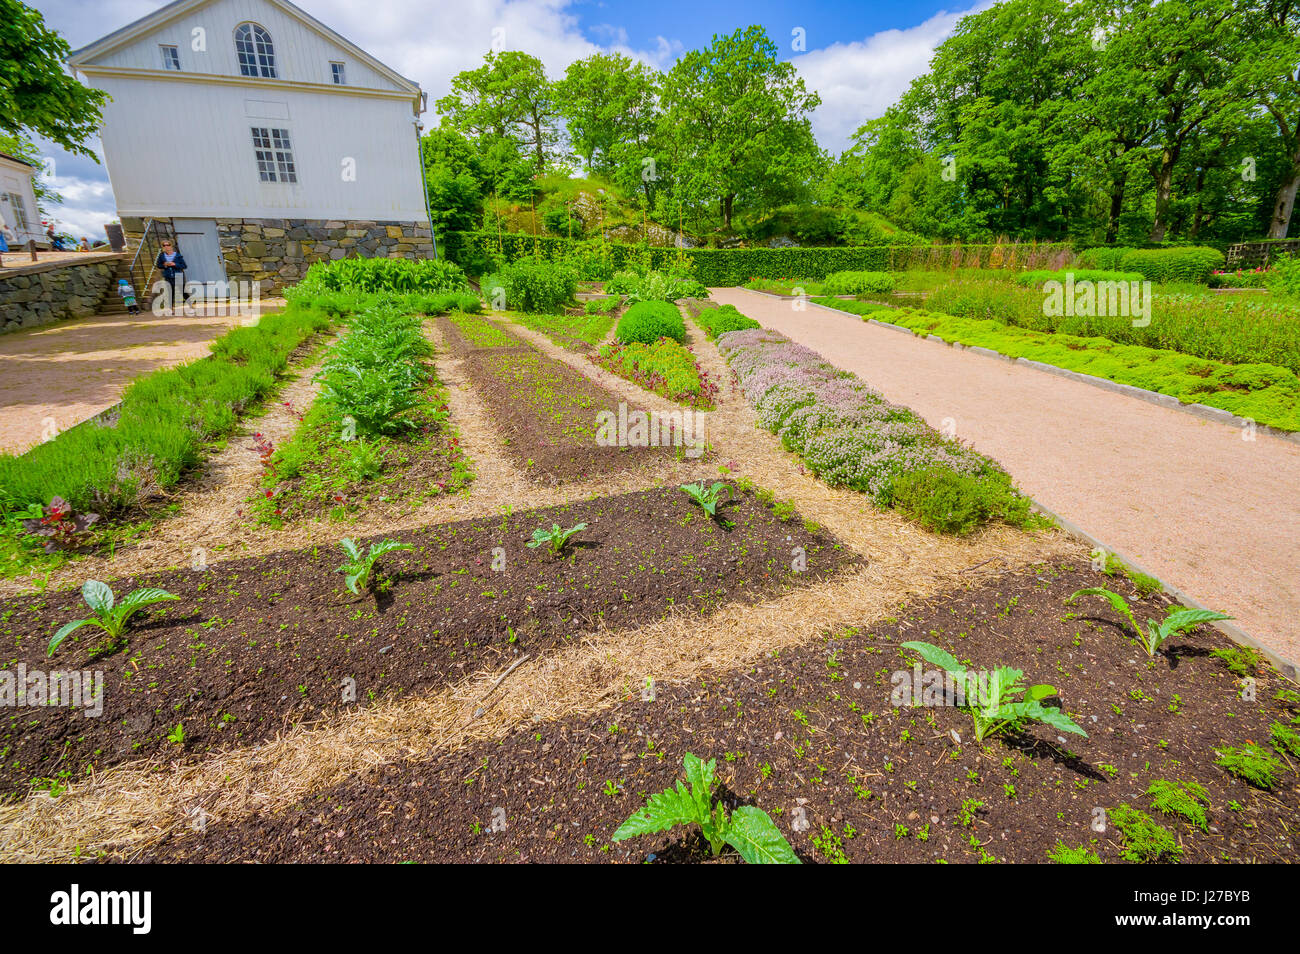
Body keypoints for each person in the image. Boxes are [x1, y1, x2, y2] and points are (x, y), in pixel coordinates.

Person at [154, 239, 189, 309]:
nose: (166, 247)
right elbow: (158, 265)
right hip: (168, 276)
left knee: (182, 291)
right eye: (164, 245)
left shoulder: (178, 255)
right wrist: (165, 265)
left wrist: (174, 264)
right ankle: (170, 308)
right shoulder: (162, 256)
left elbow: (184, 266)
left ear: (171, 246)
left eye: (168, 245)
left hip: (178, 275)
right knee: (170, 292)